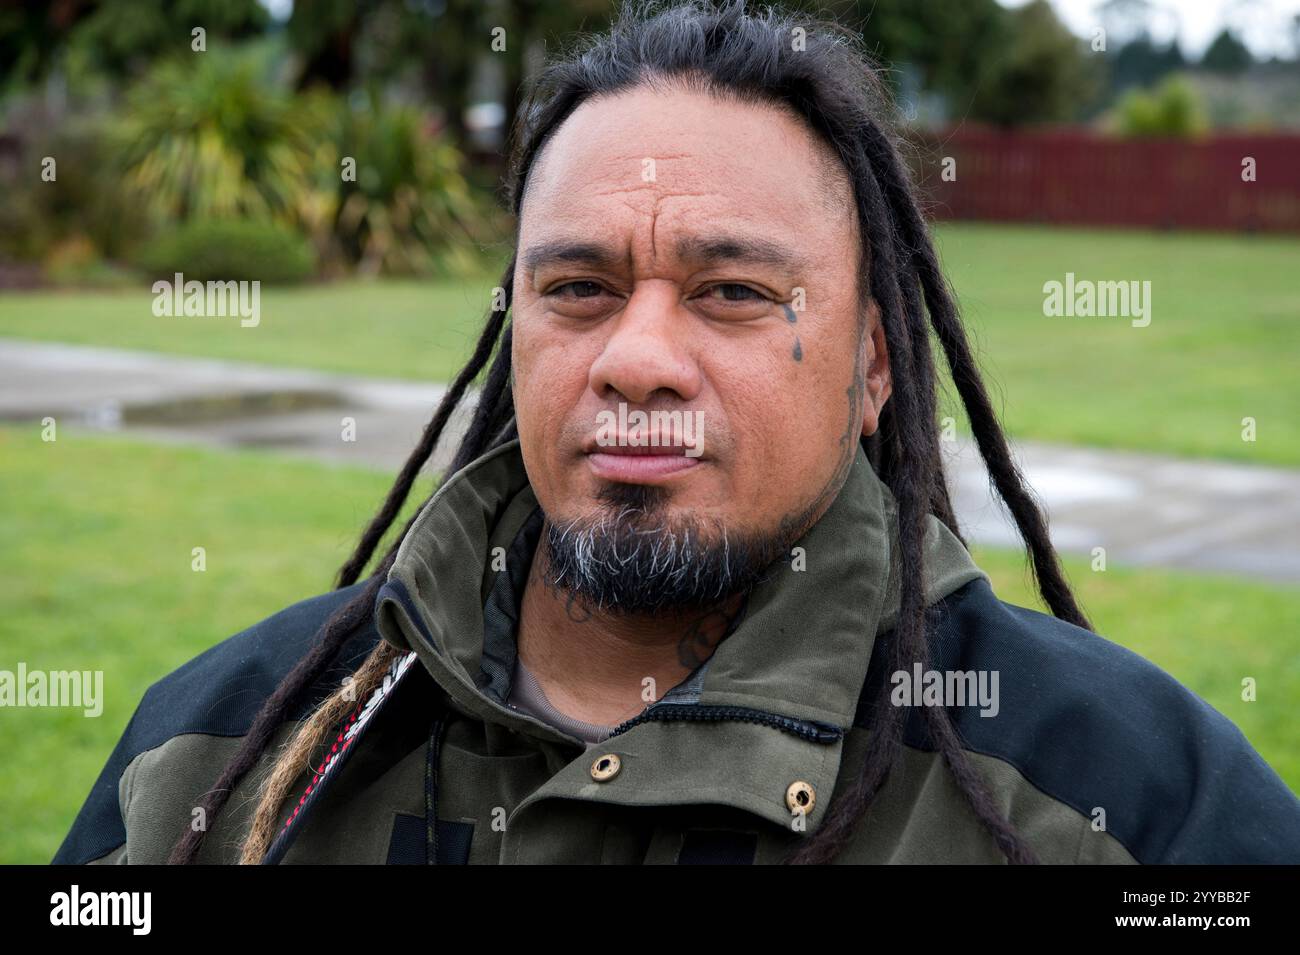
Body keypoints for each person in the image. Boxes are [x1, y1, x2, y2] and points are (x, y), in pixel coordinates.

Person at [54, 0, 1300, 865]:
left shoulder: (1118, 800)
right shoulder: (221, 745)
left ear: (871, 366)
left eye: (733, 293)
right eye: (578, 289)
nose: (636, 358)